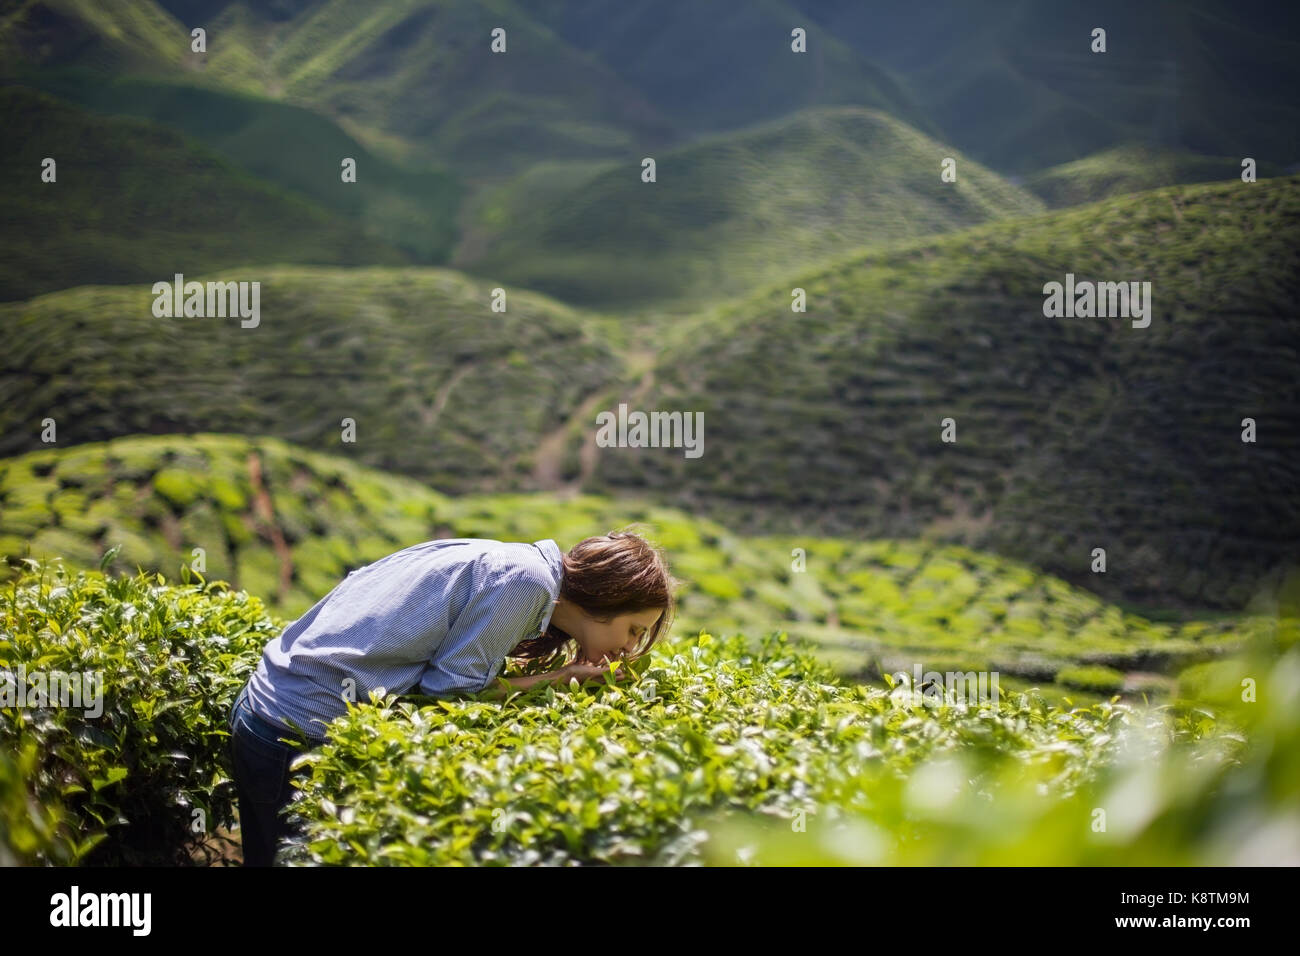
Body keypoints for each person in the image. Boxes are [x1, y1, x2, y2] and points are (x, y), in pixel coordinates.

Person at [226, 529, 678, 865]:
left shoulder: (520, 566)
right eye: (634, 630)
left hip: (269, 706)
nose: (629, 647)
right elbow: (451, 692)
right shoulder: (528, 584)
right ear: (606, 598)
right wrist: (558, 679)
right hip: (294, 727)